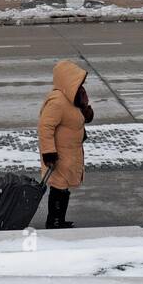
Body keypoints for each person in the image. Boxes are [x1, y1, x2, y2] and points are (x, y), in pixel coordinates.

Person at [37, 59, 93, 229]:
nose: (81, 85)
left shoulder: (73, 98)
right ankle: (54, 222)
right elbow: (45, 127)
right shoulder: (58, 102)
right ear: (67, 80)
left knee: (63, 188)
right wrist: (49, 153)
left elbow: (79, 117)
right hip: (58, 155)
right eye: (77, 81)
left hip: (70, 153)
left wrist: (86, 111)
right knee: (58, 187)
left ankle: (59, 220)